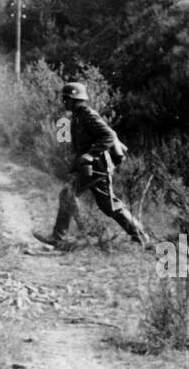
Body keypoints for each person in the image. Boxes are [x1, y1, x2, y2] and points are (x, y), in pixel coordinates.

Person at [35, 82, 150, 251]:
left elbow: (109, 135)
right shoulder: (77, 116)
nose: (64, 102)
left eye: (66, 99)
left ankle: (140, 236)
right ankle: (60, 236)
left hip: (98, 167)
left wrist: (90, 155)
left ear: (76, 99)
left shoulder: (88, 114)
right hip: (91, 167)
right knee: (90, 200)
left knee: (102, 203)